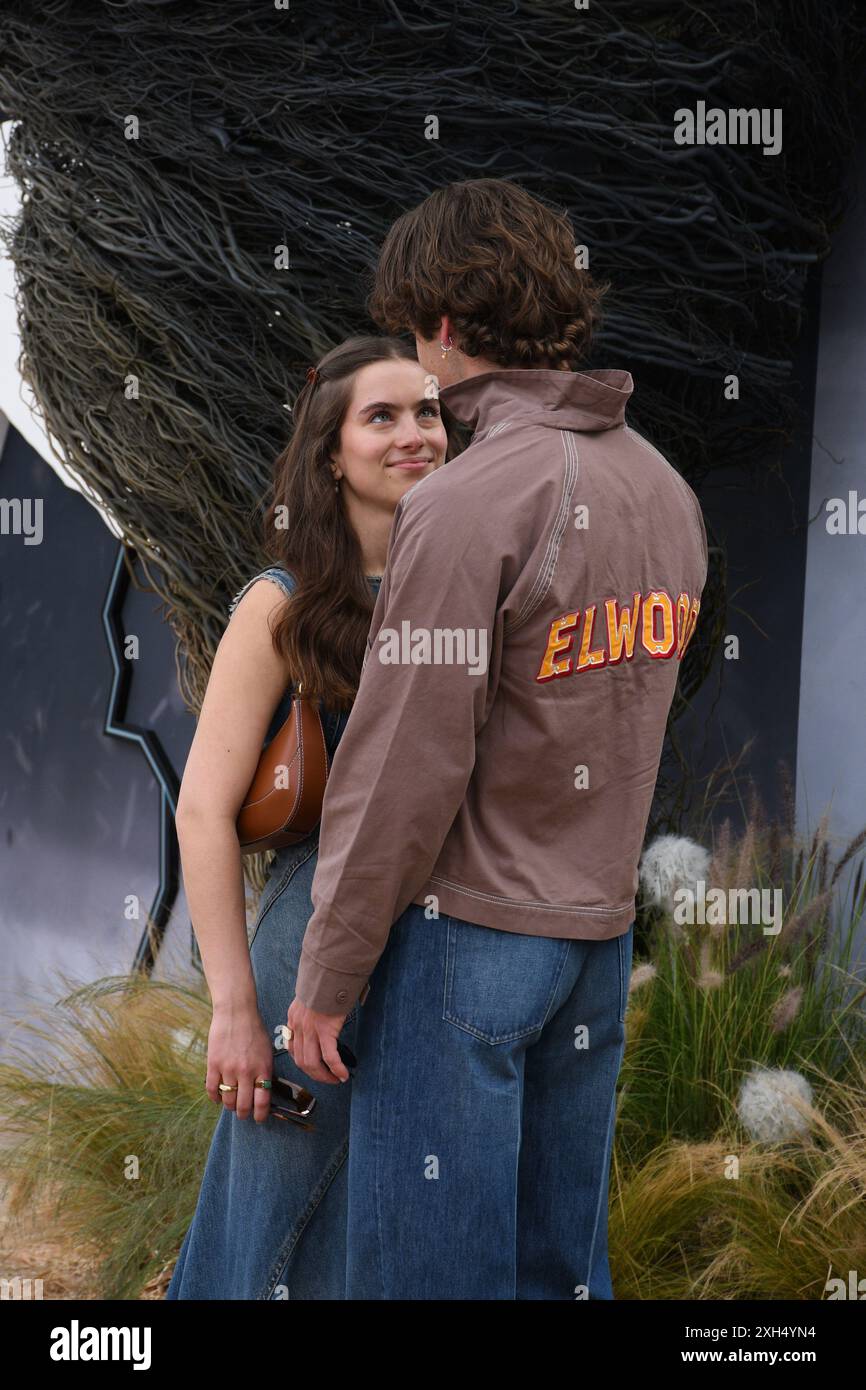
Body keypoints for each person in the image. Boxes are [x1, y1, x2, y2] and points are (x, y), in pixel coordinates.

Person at [283, 178, 709, 1300]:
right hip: (593, 944)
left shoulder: (467, 501)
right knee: (560, 1275)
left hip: (461, 941)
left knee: (432, 1280)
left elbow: (400, 768)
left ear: (447, 329)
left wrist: (326, 973)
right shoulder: (665, 493)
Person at [165, 334, 450, 1298]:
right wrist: (234, 1010)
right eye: (383, 416)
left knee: (384, 1235)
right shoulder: (282, 607)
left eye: (428, 412)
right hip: (309, 940)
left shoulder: (473, 588)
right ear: (331, 453)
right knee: (274, 1224)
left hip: (443, 950)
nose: (414, 433)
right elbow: (202, 810)